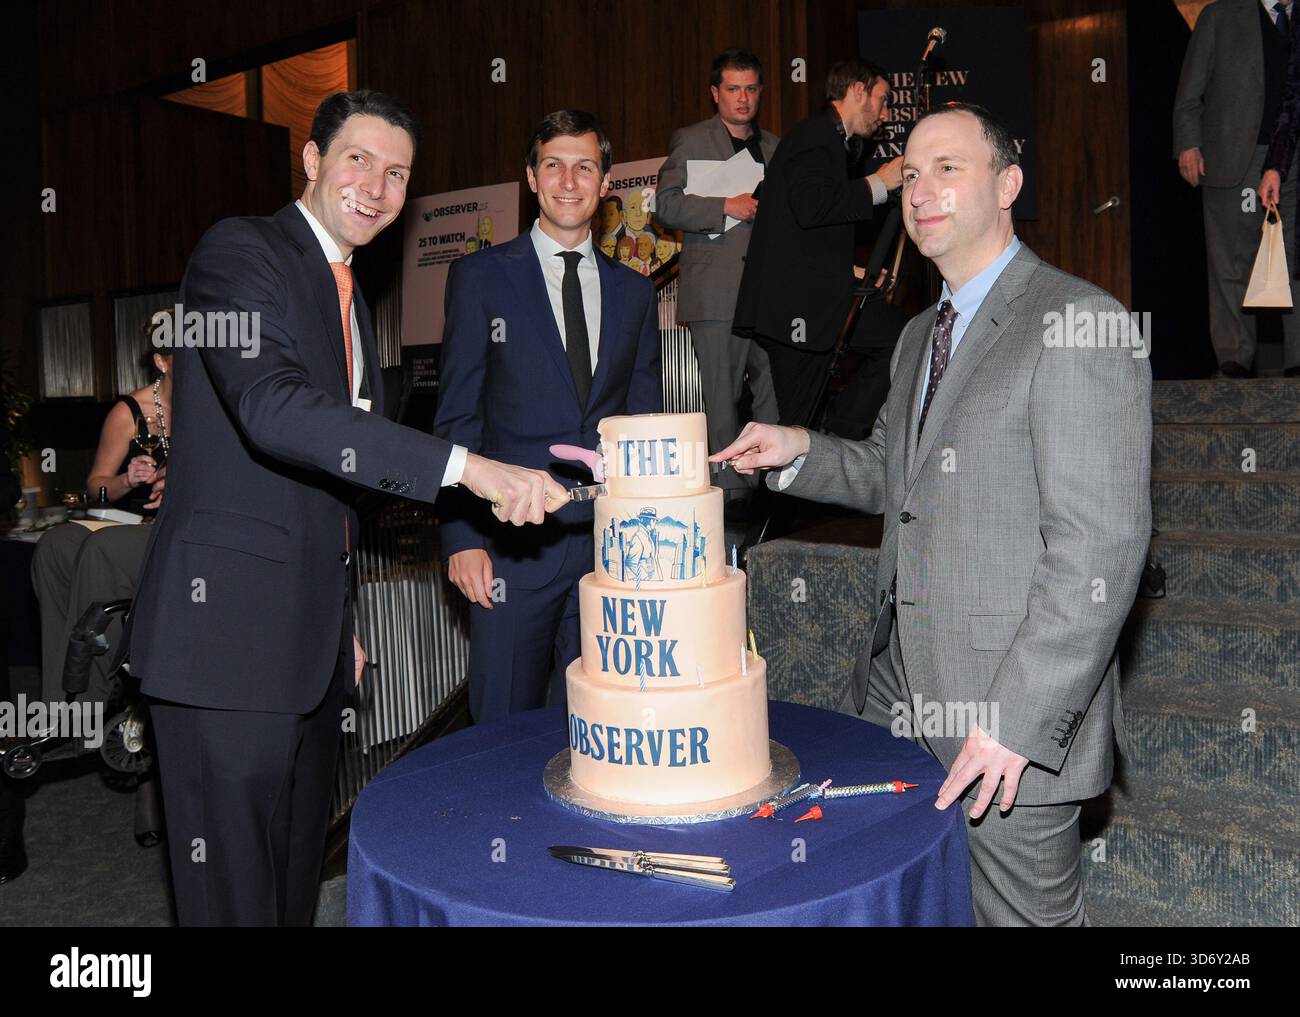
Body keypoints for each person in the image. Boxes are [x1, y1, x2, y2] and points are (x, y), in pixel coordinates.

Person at [127, 90, 566, 926]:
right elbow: (273, 409)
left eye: (397, 173)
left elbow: (332, 479)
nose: (377, 186)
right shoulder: (239, 251)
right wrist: (468, 467)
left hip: (311, 647)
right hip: (222, 644)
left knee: (293, 890)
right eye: (360, 159)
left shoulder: (356, 298)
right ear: (313, 160)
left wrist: (342, 619)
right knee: (231, 901)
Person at [714, 103, 1152, 926]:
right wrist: (797, 448)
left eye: (949, 168)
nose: (921, 190)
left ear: (1009, 183)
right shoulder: (921, 334)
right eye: (910, 174)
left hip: (1005, 722)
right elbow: (894, 472)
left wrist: (1017, 725)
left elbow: (1099, 554)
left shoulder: (1077, 323)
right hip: (898, 695)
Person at [435, 110, 662, 722]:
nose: (569, 180)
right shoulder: (480, 277)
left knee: (598, 727)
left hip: (609, 555)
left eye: (584, 166)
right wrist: (461, 539)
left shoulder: (636, 294)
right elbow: (457, 414)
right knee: (502, 729)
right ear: (531, 179)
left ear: (605, 181)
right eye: (553, 165)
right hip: (510, 548)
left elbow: (640, 422)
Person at [29, 344, 173, 849]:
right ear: (163, 360)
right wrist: (125, 479)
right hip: (133, 522)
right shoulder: (130, 411)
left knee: (103, 552)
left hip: (180, 531)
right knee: (55, 545)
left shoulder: (217, 401)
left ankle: (93, 698)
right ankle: (60, 701)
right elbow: (96, 490)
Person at [732, 58, 903, 427]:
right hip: (798, 310)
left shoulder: (826, 140)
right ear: (858, 91)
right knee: (800, 427)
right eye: (883, 99)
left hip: (812, 302)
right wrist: (880, 183)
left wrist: (849, 270)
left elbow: (803, 230)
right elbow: (813, 207)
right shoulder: (815, 136)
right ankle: (832, 435)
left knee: (899, 340)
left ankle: (832, 436)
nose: (885, 114)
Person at [655, 48, 780, 498]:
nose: (742, 98)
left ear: (760, 91)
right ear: (715, 93)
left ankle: (771, 486)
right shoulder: (690, 140)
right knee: (721, 402)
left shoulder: (776, 147)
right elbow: (663, 205)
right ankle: (729, 499)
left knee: (775, 390)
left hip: (769, 292)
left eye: (750, 89)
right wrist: (725, 206)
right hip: (715, 292)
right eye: (733, 89)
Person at [1175, 0, 1300, 377]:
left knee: (1294, 261)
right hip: (1232, 157)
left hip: (1293, 161)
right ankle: (1235, 359)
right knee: (1232, 263)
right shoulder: (1220, 15)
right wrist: (1187, 143)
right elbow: (1189, 90)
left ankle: (1297, 360)